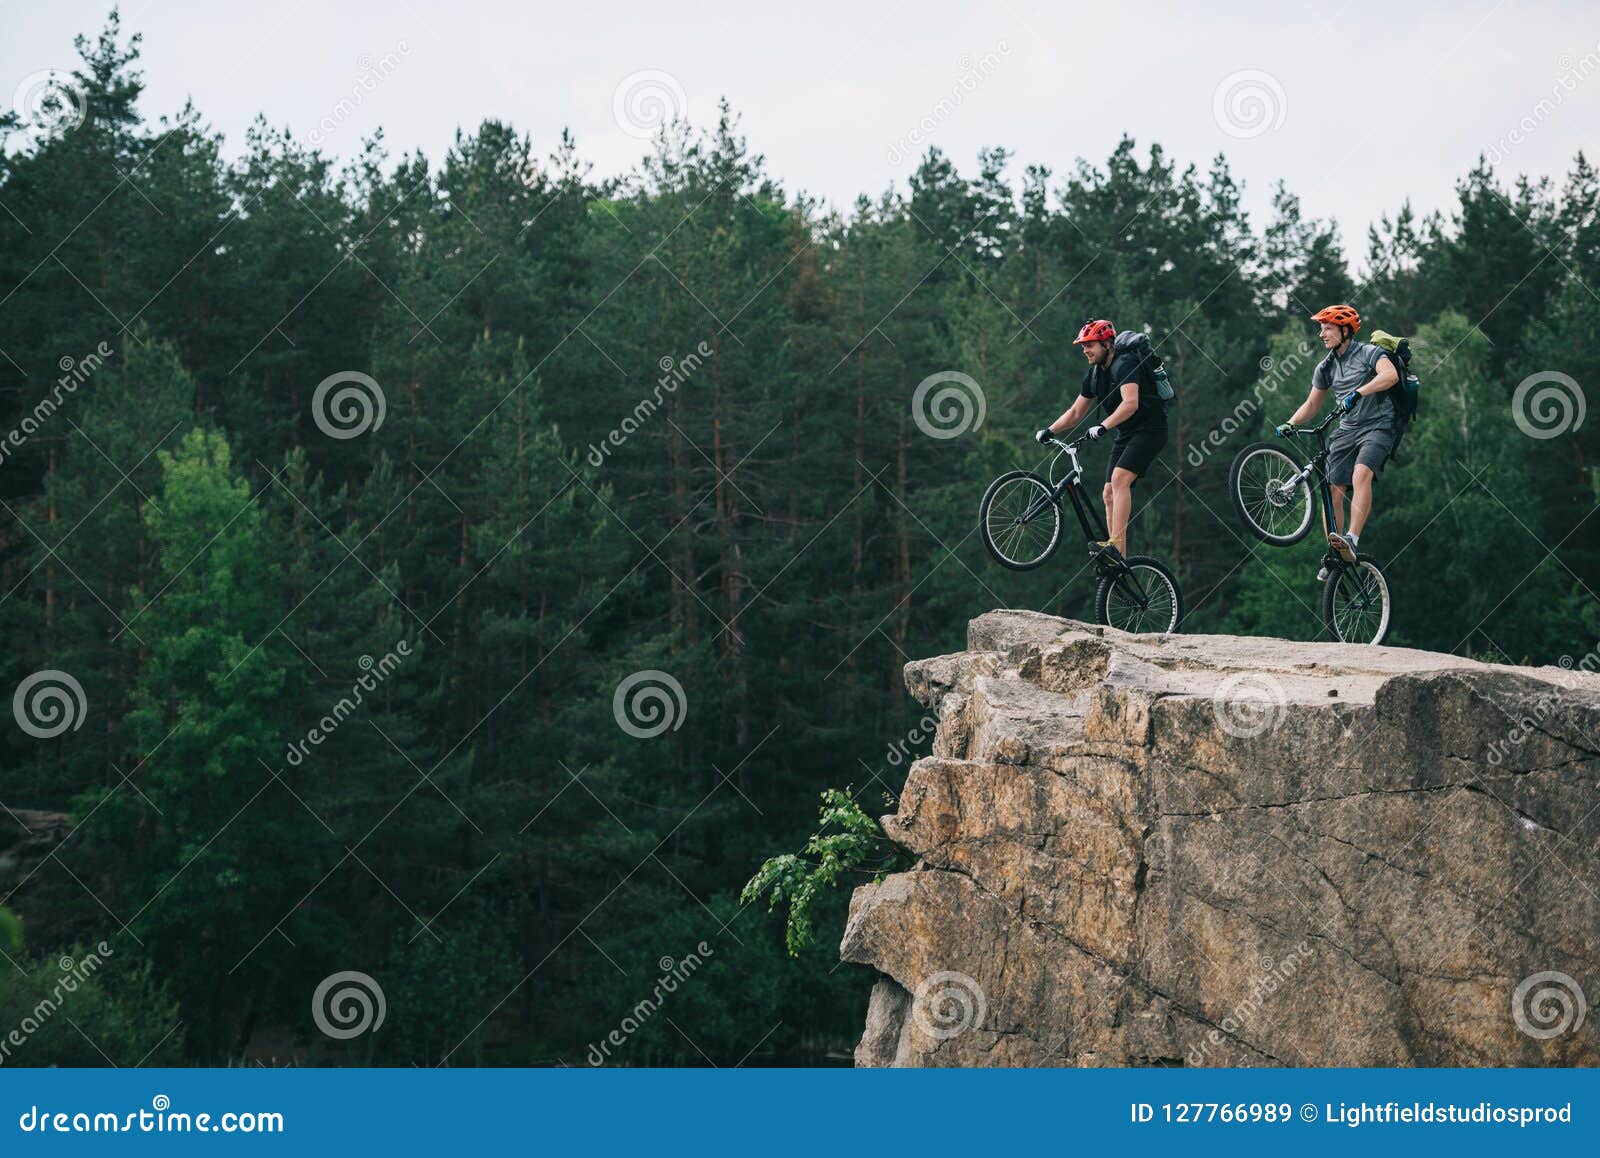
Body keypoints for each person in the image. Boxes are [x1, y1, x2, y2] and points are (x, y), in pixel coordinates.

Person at [1275, 304, 1399, 580]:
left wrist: (1359, 392)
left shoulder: (1369, 353)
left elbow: (1390, 376)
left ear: (1345, 331)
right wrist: (1291, 423)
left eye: (1327, 328)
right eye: (1321, 328)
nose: (1322, 334)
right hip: (1347, 429)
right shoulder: (1326, 367)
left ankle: (1353, 538)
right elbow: (1311, 404)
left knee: (1361, 474)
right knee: (1332, 490)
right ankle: (1336, 550)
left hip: (1377, 425)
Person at [1035, 318, 1169, 561]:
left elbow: (1131, 404)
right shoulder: (1095, 374)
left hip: (1151, 429)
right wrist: (1050, 430)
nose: (1085, 350)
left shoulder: (1124, 364)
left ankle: (1115, 548)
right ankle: (1119, 557)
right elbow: (1076, 412)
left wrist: (1103, 426)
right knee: (1108, 493)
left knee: (1119, 480)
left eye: (1090, 345)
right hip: (1126, 433)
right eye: (1083, 346)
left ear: (1107, 344)